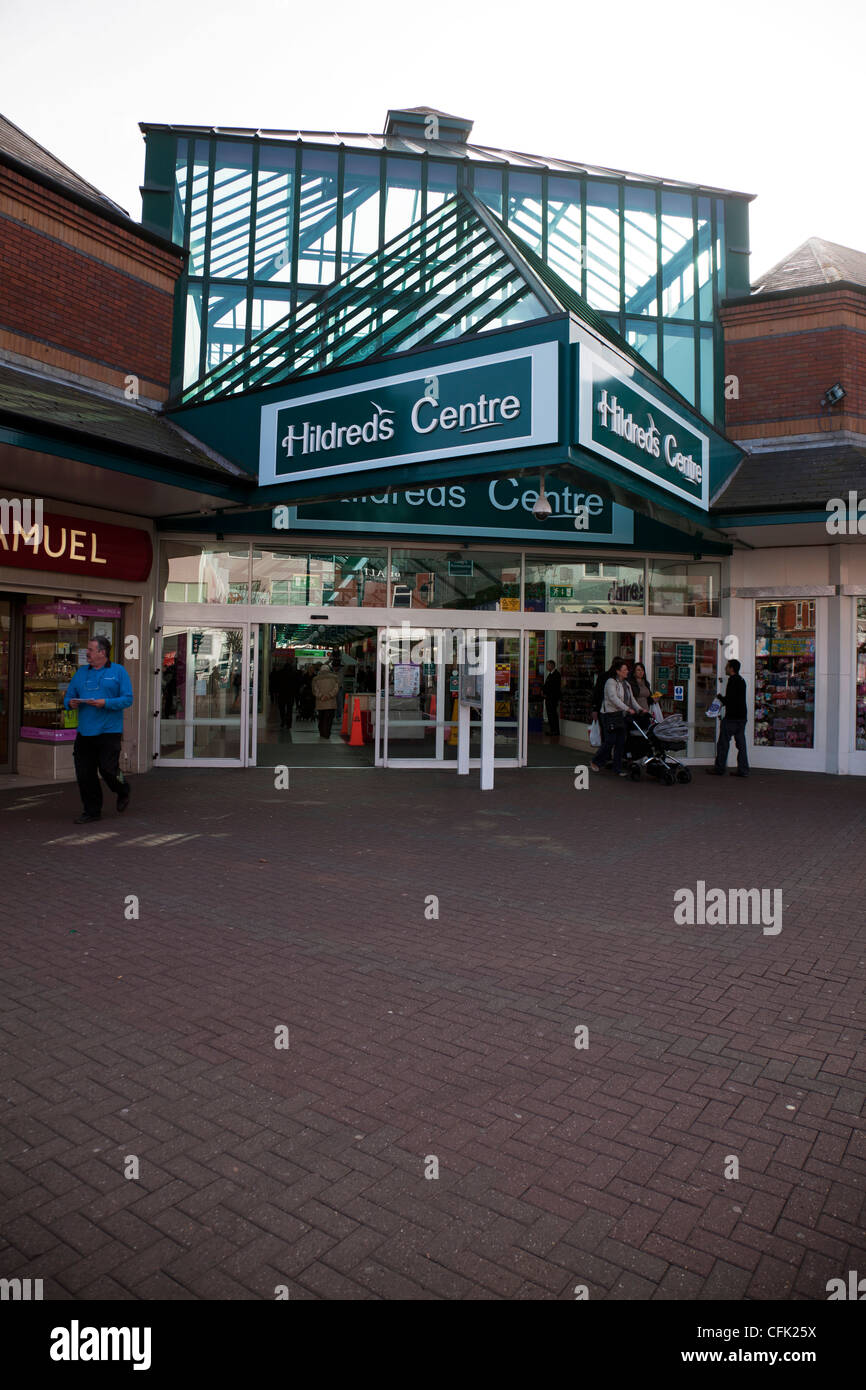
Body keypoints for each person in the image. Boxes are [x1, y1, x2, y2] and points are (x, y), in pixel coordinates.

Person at [63, 635, 134, 823]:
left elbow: (128, 699)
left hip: (109, 731)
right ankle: (92, 811)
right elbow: (68, 697)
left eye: (91, 650)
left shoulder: (118, 671)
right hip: (85, 732)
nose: (87, 653)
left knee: (108, 769)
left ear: (102, 652)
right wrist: (70, 703)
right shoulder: (80, 673)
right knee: (84, 773)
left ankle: (123, 789)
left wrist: (106, 702)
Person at [590, 658, 640, 777]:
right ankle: (596, 761)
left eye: (627, 669)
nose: (627, 671)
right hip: (609, 715)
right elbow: (613, 698)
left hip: (621, 716)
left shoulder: (626, 684)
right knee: (610, 741)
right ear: (618, 671)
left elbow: (631, 699)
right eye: (624, 669)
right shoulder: (610, 682)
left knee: (620, 742)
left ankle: (617, 768)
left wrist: (639, 709)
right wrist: (627, 709)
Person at [707, 658, 750, 777]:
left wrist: (720, 697)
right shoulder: (742, 680)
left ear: (731, 668)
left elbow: (729, 700)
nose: (725, 668)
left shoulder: (732, 681)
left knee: (723, 744)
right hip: (742, 717)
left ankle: (719, 768)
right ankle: (743, 769)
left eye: (727, 666)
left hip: (731, 718)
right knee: (741, 745)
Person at [311, 660, 340, 738]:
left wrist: (321, 696)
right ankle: (327, 733)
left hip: (321, 702)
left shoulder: (316, 679)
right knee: (329, 719)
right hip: (331, 703)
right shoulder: (335, 678)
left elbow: (315, 689)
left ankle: (321, 733)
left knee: (321, 718)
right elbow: (336, 689)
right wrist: (329, 695)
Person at [273, 658, 300, 728]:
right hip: (290, 695)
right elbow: (297, 684)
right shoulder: (294, 674)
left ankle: (282, 721)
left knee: (282, 708)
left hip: (281, 694)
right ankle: (289, 723)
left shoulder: (279, 673)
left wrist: (276, 692)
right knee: (289, 709)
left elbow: (275, 684)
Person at [542, 659, 562, 740]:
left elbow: (554, 687)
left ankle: (555, 730)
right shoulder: (550, 675)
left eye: (548, 665)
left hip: (552, 698)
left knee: (553, 714)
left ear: (552, 665)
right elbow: (546, 685)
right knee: (550, 714)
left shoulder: (556, 675)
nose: (547, 667)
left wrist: (546, 692)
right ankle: (552, 730)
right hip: (548, 698)